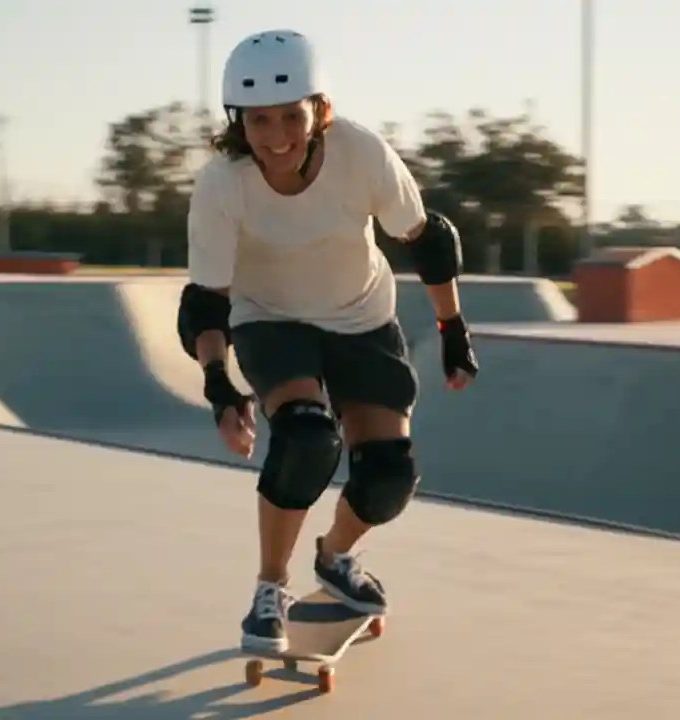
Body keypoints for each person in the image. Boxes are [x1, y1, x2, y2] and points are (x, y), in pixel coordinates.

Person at [175, 28, 481, 655]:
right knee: (307, 440)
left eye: (292, 116)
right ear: (238, 122)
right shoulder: (222, 184)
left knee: (388, 478)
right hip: (270, 320)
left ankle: (335, 556)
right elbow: (206, 302)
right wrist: (218, 385)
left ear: (322, 110)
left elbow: (427, 241)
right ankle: (270, 588)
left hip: (361, 317)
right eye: (260, 121)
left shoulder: (362, 155)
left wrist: (452, 328)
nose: (277, 137)